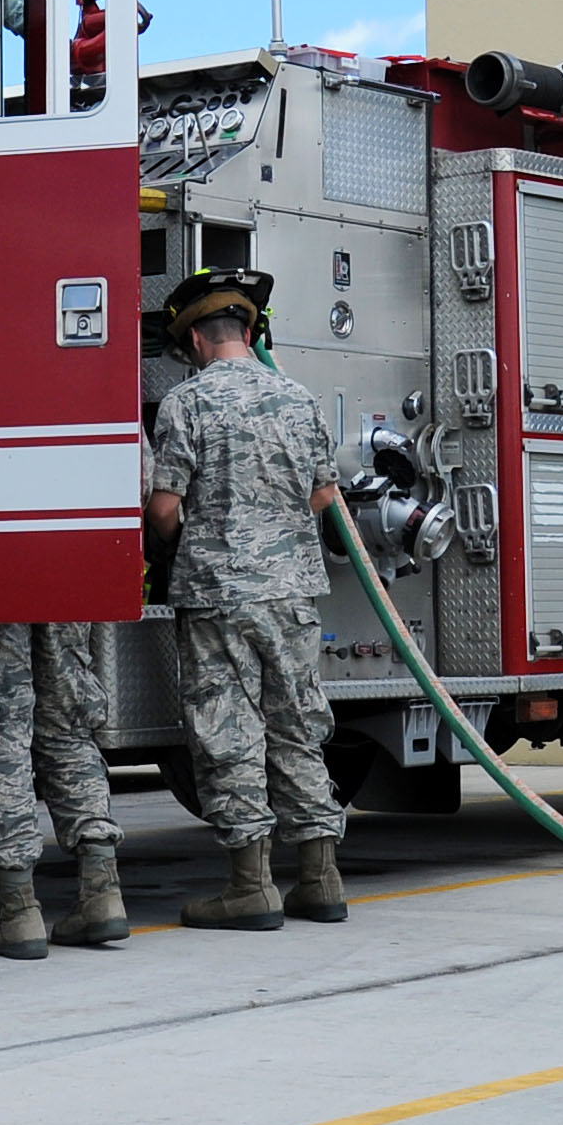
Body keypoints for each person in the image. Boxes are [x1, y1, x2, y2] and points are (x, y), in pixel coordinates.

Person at [146, 268, 348, 930]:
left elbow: (166, 506)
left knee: (228, 732)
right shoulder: (298, 397)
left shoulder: (186, 403)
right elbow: (325, 494)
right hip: (292, 593)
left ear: (196, 339)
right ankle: (320, 880)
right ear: (249, 331)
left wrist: (172, 542)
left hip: (219, 593)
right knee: (297, 728)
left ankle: (250, 887)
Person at [0, 622, 127, 958]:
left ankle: (20, 912)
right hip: (67, 590)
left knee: (0, 731)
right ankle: (102, 894)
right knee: (68, 726)